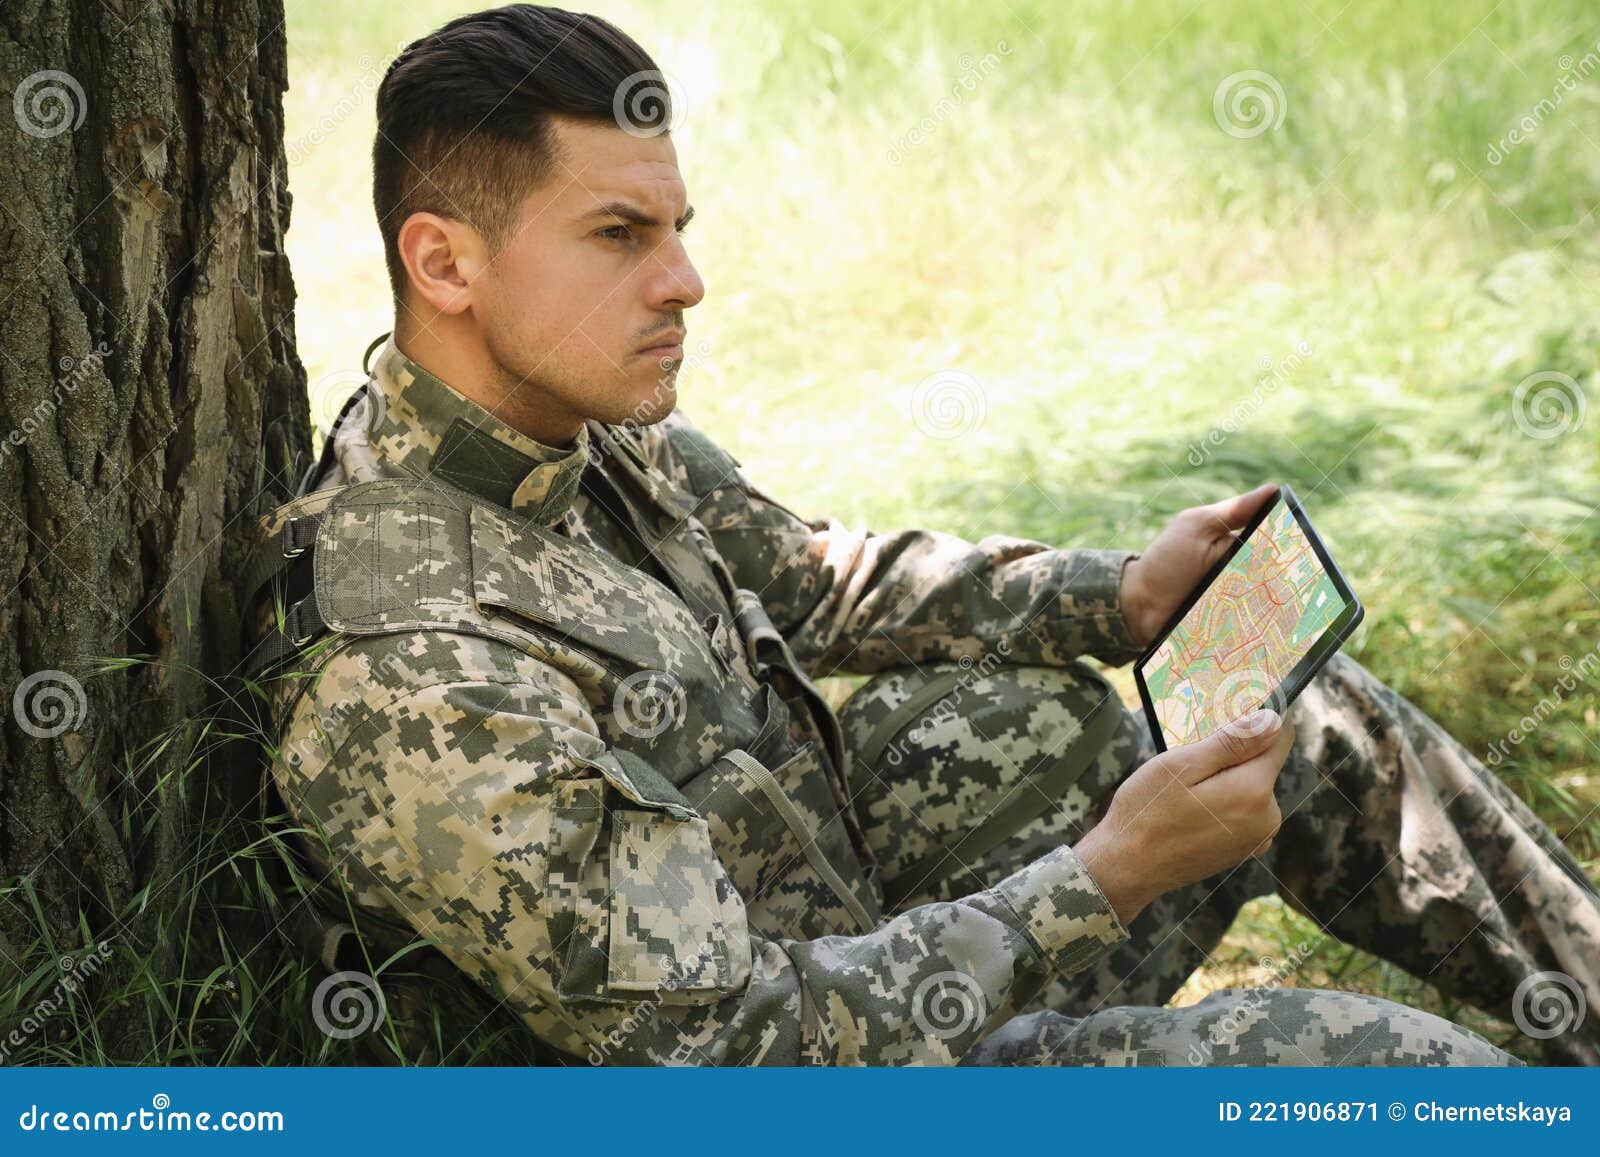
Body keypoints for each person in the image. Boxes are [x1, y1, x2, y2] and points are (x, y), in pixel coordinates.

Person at [244, 3, 1600, 1066]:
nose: (686, 280)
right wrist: (1108, 874)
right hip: (794, 1071)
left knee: (1293, 716)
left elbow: (813, 578)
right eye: (619, 233)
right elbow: (733, 1050)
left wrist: (1117, 597)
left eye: (677, 227)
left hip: (851, 939)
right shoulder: (409, 663)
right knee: (1381, 1081)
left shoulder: (567, 423)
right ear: (444, 263)